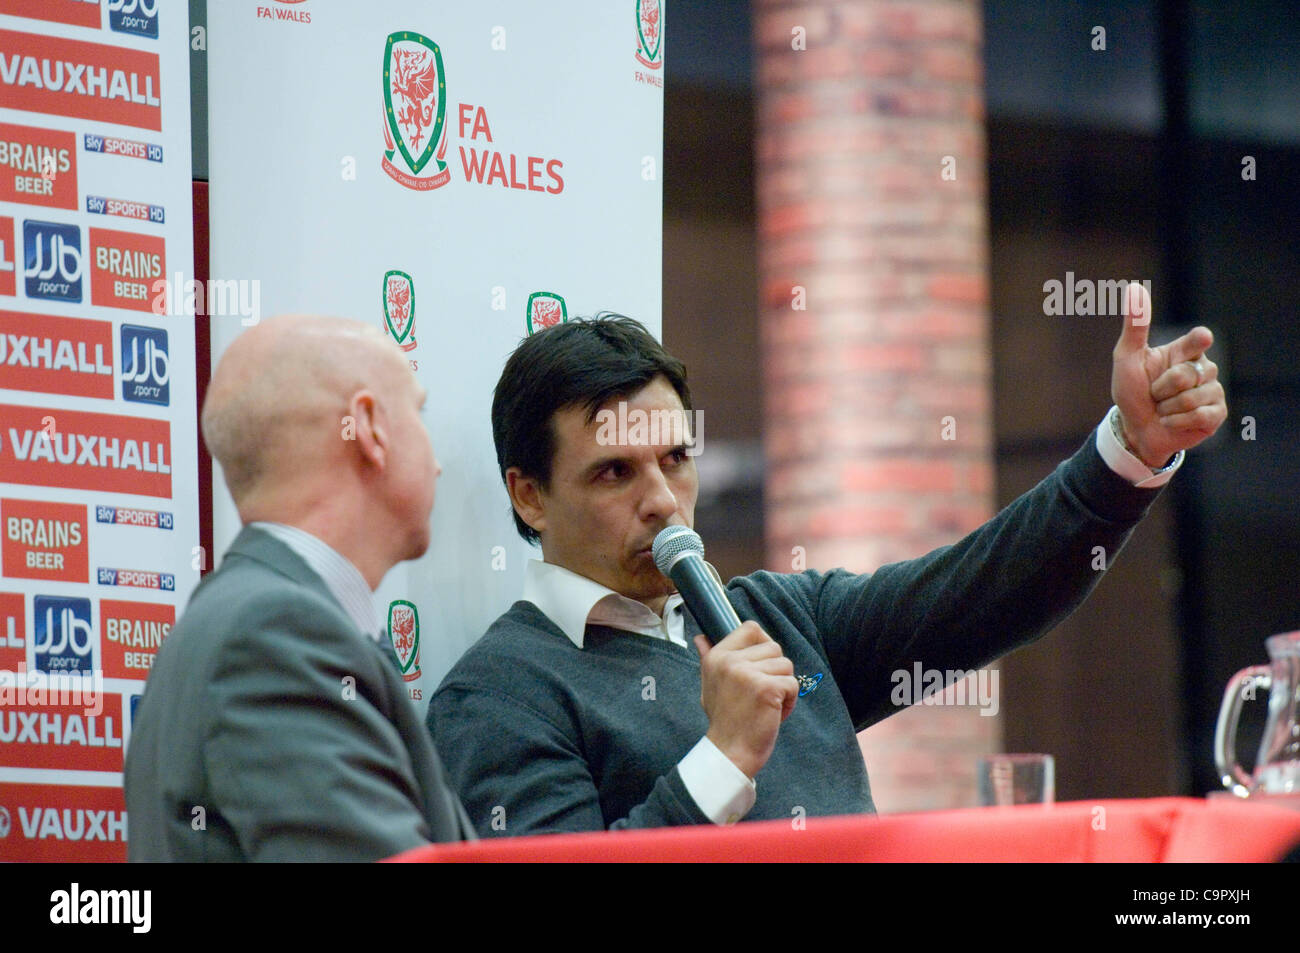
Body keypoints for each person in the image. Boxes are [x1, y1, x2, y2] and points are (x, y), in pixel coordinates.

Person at [428, 285, 1227, 835]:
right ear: (530, 496)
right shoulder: (501, 695)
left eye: (675, 459)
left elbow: (984, 590)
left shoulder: (781, 616)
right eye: (615, 472)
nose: (664, 500)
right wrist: (723, 757)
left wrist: (1129, 452)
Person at [125, 315, 473, 861]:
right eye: (419, 413)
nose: (436, 463)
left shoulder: (256, 617)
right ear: (369, 428)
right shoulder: (272, 633)